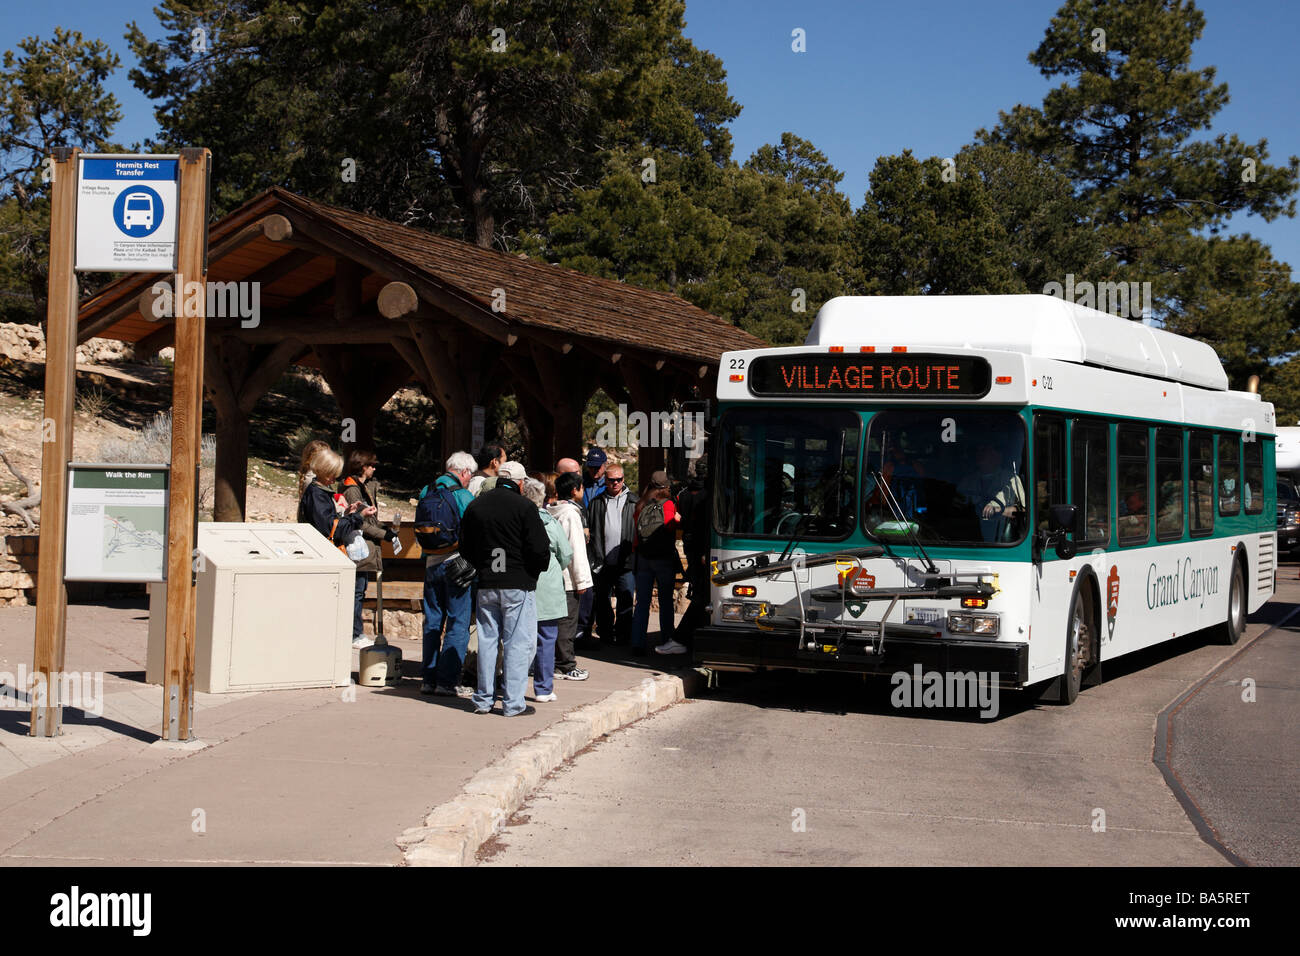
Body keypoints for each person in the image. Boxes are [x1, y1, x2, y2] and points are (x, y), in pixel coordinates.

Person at [460, 464, 551, 716]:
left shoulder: (476, 505)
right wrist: (532, 572)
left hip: (487, 582)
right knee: (517, 643)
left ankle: (483, 699)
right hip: (517, 582)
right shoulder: (525, 507)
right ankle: (512, 703)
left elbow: (465, 546)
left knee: (487, 641)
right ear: (521, 484)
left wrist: (482, 566)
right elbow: (540, 548)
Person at [420, 452, 477, 697]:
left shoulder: (426, 491)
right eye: (470, 475)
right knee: (458, 623)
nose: (469, 479)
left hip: (430, 563)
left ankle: (428, 679)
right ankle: (447, 681)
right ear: (464, 472)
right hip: (457, 565)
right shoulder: (463, 495)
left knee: (432, 621)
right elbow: (474, 530)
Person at [340, 449, 399, 649]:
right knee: (356, 592)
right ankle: (354, 633)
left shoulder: (363, 487)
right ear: (363, 467)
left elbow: (370, 518)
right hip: (357, 547)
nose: (374, 468)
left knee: (360, 590)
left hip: (364, 548)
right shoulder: (352, 489)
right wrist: (384, 534)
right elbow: (359, 522)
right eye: (372, 465)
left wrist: (384, 530)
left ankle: (355, 633)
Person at [524, 477, 572, 703]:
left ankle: (511, 684)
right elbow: (566, 554)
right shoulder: (550, 522)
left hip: (522, 582)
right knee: (546, 638)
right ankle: (543, 688)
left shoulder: (517, 521)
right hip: (549, 585)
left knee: (519, 638)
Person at [630, 470, 683, 655]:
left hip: (643, 558)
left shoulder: (641, 504)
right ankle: (667, 639)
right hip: (663, 558)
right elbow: (669, 526)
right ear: (666, 487)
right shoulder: (668, 504)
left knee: (642, 602)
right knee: (665, 601)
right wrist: (678, 521)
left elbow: (637, 533)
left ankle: (637, 642)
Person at [547, 471, 593, 680]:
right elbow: (575, 549)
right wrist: (581, 580)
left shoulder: (550, 510)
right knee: (567, 622)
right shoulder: (571, 514)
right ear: (575, 490)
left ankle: (554, 662)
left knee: (553, 623)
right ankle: (566, 665)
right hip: (568, 578)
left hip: (552, 576)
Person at [588, 462, 637, 645]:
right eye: (611, 480)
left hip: (626, 561)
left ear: (623, 479)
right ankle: (606, 634)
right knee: (602, 600)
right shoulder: (596, 503)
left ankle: (624, 635)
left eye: (619, 479)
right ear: (605, 481)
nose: (615, 483)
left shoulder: (634, 502)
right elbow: (591, 531)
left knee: (626, 598)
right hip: (603, 561)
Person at [297, 445, 375, 557]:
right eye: (333, 474)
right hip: (320, 553)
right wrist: (360, 516)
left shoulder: (318, 491)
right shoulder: (317, 494)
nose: (334, 480)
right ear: (324, 471)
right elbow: (331, 529)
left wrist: (347, 514)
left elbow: (328, 521)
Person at [670, 459, 710, 651]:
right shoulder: (709, 494)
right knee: (702, 593)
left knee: (697, 586)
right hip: (704, 546)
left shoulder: (683, 494)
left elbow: (680, 518)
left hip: (689, 544)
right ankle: (690, 635)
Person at [958, 441, 1026, 542]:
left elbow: (1023, 511)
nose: (979, 453)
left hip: (1001, 540)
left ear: (998, 455)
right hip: (968, 538)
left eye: (984, 450)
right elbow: (956, 507)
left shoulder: (1011, 479)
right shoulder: (967, 481)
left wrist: (1000, 510)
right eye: (978, 450)